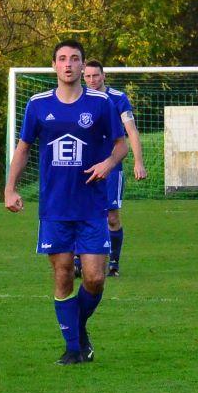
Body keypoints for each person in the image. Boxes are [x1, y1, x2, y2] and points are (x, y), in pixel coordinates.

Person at [2, 41, 125, 363]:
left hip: (92, 204)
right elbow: (24, 147)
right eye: (62, 59)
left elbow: (120, 145)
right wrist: (10, 188)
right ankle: (74, 348)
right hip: (55, 207)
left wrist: (108, 165)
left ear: (84, 67)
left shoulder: (100, 104)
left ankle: (76, 327)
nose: (68, 64)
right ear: (54, 66)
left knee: (95, 278)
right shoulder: (38, 105)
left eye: (74, 59)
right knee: (63, 273)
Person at [81, 60, 142, 276]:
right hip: (84, 165)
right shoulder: (79, 98)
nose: (91, 80)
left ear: (103, 75)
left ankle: (113, 263)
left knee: (112, 216)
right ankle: (80, 262)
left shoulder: (118, 98)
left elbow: (131, 131)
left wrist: (138, 162)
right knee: (82, 213)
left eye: (95, 76)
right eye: (87, 76)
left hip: (111, 166)